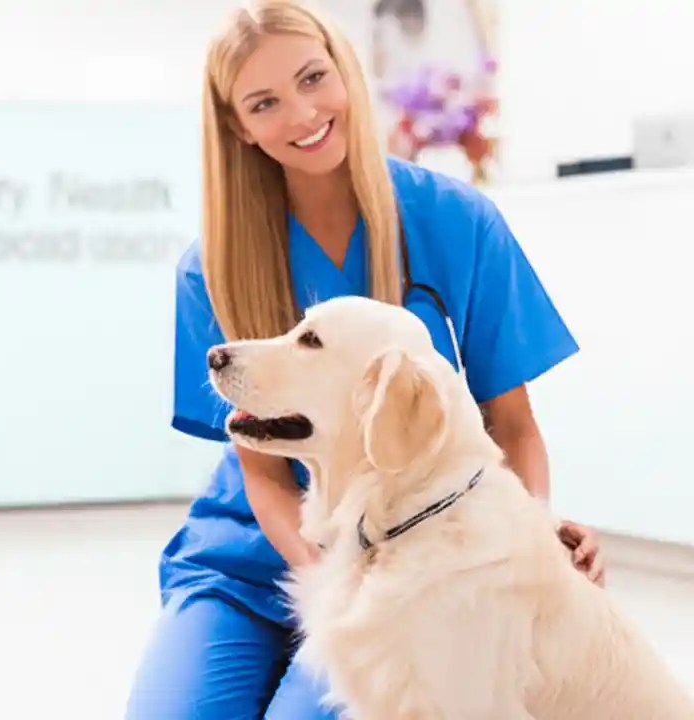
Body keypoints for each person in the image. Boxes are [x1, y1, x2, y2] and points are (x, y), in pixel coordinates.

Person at [124, 2, 603, 718]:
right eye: (265, 102)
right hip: (249, 559)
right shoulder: (212, 268)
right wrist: (336, 576)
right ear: (238, 127)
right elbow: (260, 472)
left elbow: (513, 425)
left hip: (414, 564)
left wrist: (526, 543)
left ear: (344, 68)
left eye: (314, 78)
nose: (303, 112)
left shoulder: (455, 219)